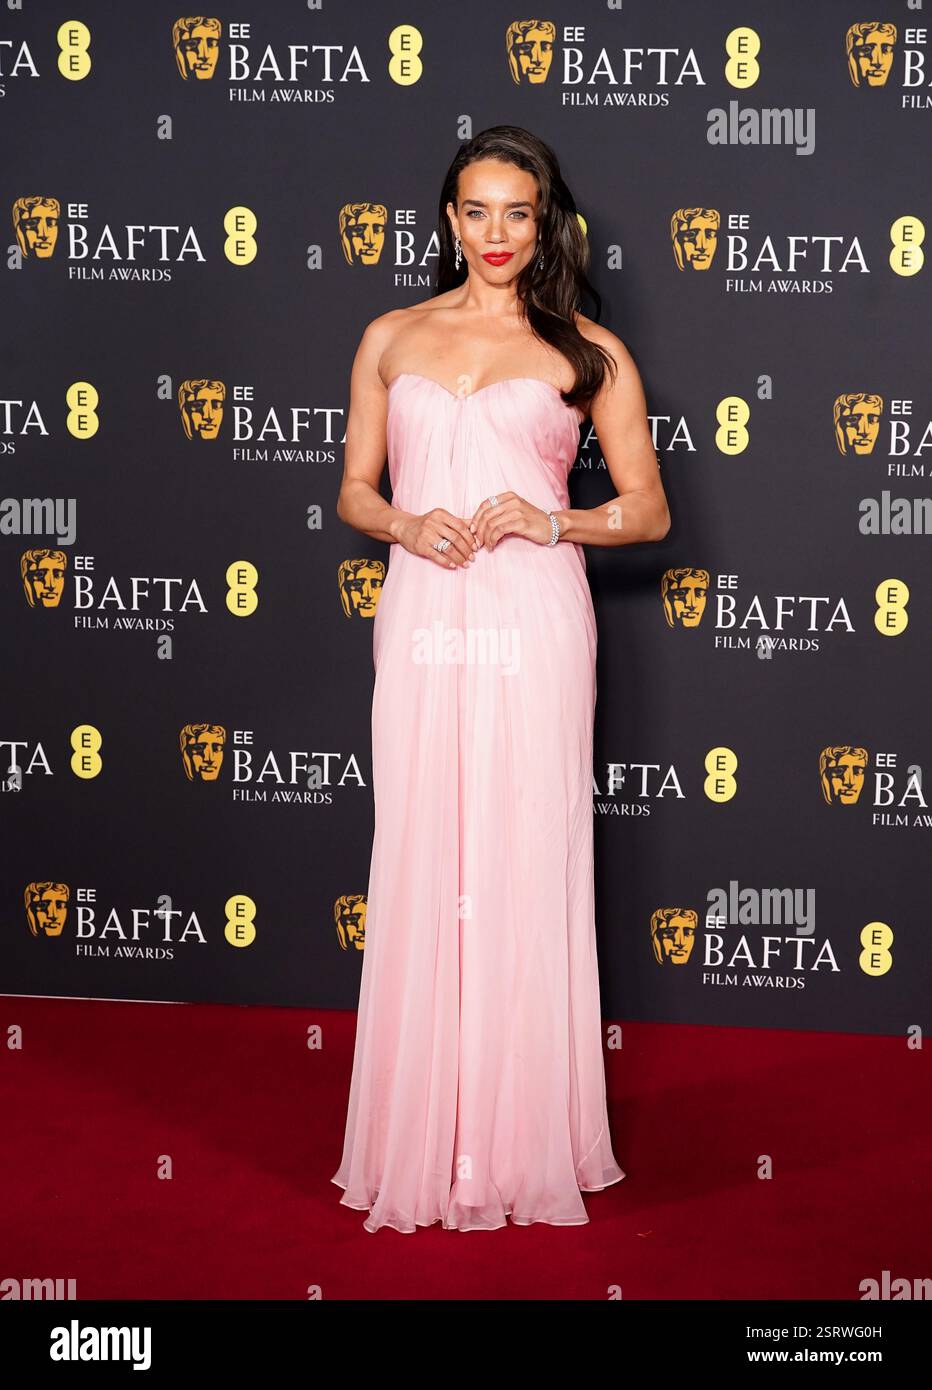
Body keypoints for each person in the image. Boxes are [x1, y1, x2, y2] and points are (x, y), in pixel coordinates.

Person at [332, 125, 670, 1233]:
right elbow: (353, 491)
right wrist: (402, 519)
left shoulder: (586, 351)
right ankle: (422, 1137)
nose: (494, 234)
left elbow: (648, 508)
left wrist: (553, 515)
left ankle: (518, 1138)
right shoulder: (390, 334)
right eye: (475, 211)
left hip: (533, 616)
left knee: (524, 853)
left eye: (516, 213)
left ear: (544, 224)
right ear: (446, 220)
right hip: (424, 609)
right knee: (427, 848)